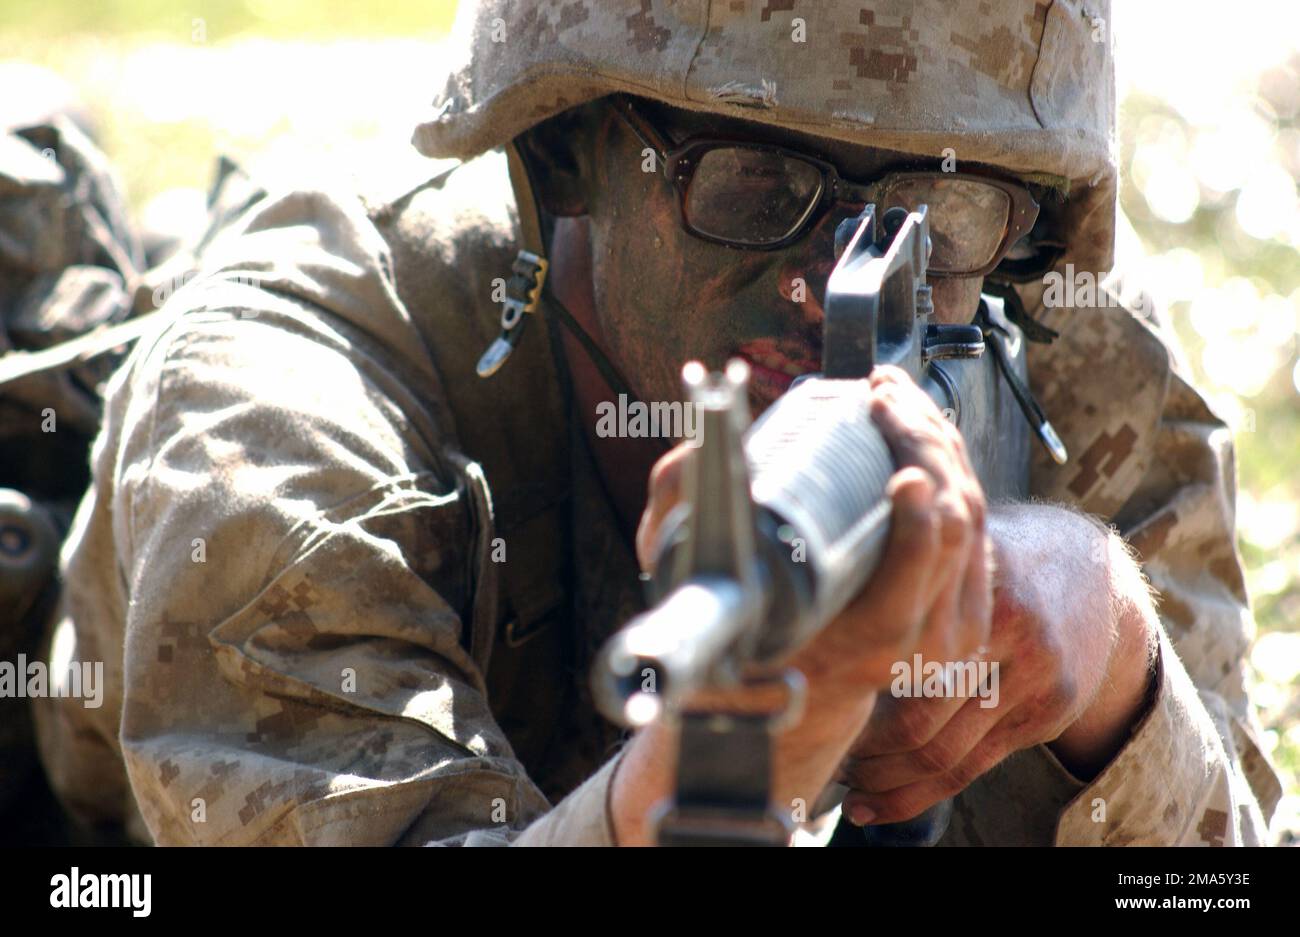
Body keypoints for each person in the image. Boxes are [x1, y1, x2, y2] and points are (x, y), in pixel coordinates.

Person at [34, 0, 1280, 846]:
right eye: (753, 186)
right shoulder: (273, 439)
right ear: (570, 151)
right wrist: (708, 790)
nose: (829, 288)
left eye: (937, 217)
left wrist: (1114, 661)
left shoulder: (1067, 368)